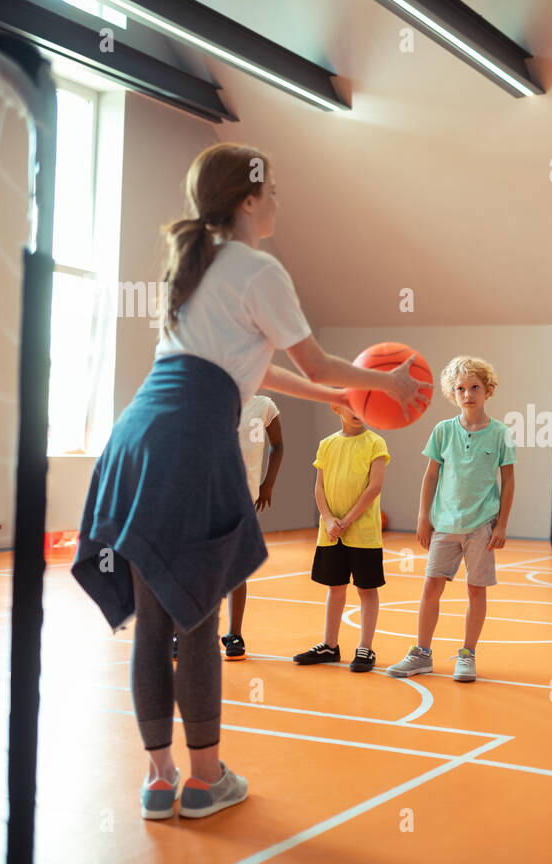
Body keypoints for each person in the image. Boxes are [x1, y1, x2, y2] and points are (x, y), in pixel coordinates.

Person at [72, 142, 430, 821]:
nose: (279, 202)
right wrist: (382, 382)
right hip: (189, 441)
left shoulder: (193, 268)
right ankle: (206, 783)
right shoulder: (260, 268)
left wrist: (329, 399)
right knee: (199, 621)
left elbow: (254, 370)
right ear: (247, 199)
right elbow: (320, 362)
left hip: (138, 434)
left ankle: (159, 780)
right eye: (273, 191)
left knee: (155, 627)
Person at [390, 356, 515, 681]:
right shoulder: (443, 431)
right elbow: (431, 476)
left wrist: (501, 523)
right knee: (431, 587)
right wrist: (423, 517)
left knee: (476, 590)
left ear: (487, 390)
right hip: (444, 525)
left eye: (474, 387)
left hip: (481, 526)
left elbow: (509, 480)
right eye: (460, 388)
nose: (467, 393)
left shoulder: (501, 433)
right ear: (452, 393)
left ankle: (467, 654)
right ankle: (421, 653)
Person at [291, 400, 387, 671]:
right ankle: (330, 646)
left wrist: (346, 520)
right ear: (336, 408)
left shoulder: (376, 443)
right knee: (335, 588)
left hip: (363, 534)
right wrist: (329, 518)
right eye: (351, 405)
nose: (357, 410)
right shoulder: (327, 444)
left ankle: (365, 649)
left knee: (366, 589)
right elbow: (318, 487)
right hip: (331, 533)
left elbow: (374, 487)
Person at [219, 392, 282, 662]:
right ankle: (181, 631)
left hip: (243, 499)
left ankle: (235, 634)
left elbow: (277, 445)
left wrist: (268, 483)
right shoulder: (211, 397)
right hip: (206, 496)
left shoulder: (264, 405)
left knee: (236, 568)